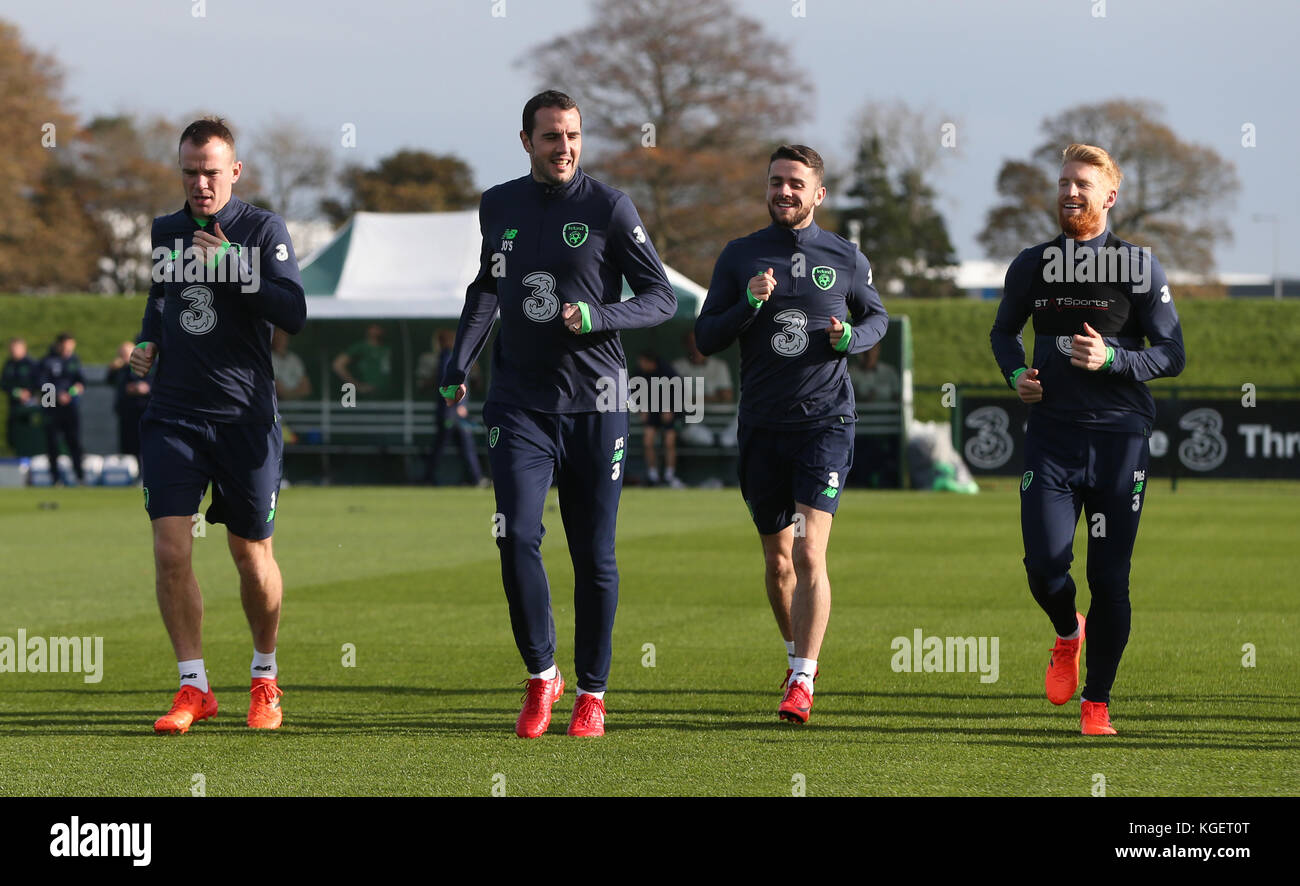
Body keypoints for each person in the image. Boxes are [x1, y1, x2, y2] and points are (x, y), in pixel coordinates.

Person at [440, 90, 675, 738]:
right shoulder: (499, 205)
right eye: (551, 137)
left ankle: (592, 692)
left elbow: (660, 298)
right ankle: (542, 676)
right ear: (526, 142)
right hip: (518, 403)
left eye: (572, 135)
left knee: (593, 554)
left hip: (597, 405)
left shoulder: (608, 207)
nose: (564, 147)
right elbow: (488, 287)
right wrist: (460, 359)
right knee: (515, 535)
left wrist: (600, 315)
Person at [989, 143, 1185, 736]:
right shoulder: (1031, 264)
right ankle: (1067, 631)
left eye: (1083, 184)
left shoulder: (1139, 267)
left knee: (1110, 578)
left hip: (1120, 442)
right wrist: (1016, 375)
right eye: (1064, 182)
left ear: (1109, 196)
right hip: (1051, 438)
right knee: (1044, 565)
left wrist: (1114, 359)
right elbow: (1003, 334)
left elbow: (1173, 354)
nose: (1070, 193)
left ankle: (1096, 701)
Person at [696, 144, 888, 725]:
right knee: (778, 563)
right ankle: (794, 658)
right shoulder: (739, 256)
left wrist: (848, 338)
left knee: (809, 551)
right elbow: (706, 336)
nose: (784, 191)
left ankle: (803, 680)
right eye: (776, 181)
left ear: (818, 194)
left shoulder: (846, 257)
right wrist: (748, 307)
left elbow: (875, 317)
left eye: (795, 183)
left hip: (825, 423)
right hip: (761, 425)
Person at [131, 117, 306, 734]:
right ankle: (193, 686)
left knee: (250, 554)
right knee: (171, 550)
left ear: (235, 171)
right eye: (190, 171)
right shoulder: (166, 230)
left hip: (244, 418)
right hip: (173, 414)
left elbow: (295, 311)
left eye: (211, 171)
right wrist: (147, 341)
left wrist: (237, 264)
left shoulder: (262, 230)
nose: (200, 183)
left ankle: (264, 676)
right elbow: (161, 300)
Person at [418, 328, 483, 486]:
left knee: (452, 445)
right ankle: (475, 478)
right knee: (461, 445)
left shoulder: (448, 357)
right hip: (454, 412)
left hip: (450, 412)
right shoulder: (451, 357)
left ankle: (473, 477)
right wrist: (460, 405)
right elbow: (452, 382)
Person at [38, 333, 87, 485]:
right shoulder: (47, 361)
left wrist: (74, 391)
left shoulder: (74, 360)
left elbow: (80, 382)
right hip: (51, 405)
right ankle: (55, 478)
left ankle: (80, 476)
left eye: (71, 347)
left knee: (74, 441)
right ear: (59, 345)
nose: (68, 350)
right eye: (65, 347)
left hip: (70, 406)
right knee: (52, 443)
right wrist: (57, 395)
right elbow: (42, 383)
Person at [671, 331, 734, 448]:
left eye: (698, 342)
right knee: (691, 433)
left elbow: (726, 396)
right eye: (691, 343)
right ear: (685, 345)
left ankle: (720, 442)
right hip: (691, 422)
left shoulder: (719, 365)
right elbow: (674, 399)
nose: (695, 346)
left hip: (720, 421)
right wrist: (713, 397)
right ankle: (716, 442)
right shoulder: (677, 366)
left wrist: (693, 399)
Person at [632, 350, 684, 487]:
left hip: (669, 409)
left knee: (669, 442)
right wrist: (641, 408)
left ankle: (669, 476)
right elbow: (634, 391)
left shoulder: (667, 371)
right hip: (652, 409)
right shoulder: (639, 373)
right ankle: (652, 475)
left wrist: (670, 408)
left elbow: (678, 390)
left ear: (651, 362)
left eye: (643, 362)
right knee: (648, 441)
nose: (640, 365)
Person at [108, 340, 153, 457]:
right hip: (125, 411)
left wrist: (142, 388)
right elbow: (111, 381)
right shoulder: (120, 369)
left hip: (141, 410)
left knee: (142, 443)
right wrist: (112, 369)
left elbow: (151, 384)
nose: (125, 357)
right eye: (122, 354)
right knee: (126, 444)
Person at [332, 323, 391, 397]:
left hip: (388, 393)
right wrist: (357, 386)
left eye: (379, 327)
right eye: (374, 327)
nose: (377, 330)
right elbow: (338, 365)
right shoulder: (361, 347)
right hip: (369, 393)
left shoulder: (387, 347)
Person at [2, 338, 39, 454]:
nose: (14, 351)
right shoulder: (9, 364)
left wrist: (30, 394)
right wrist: (18, 393)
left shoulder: (31, 364)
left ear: (23, 349)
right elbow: (3, 384)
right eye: (12, 349)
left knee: (29, 432)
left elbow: (40, 382)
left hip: (29, 405)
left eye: (16, 349)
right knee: (12, 434)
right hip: (14, 405)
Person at [271, 328, 311, 401]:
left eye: (283, 337)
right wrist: (296, 392)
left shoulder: (294, 359)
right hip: (279, 408)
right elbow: (278, 391)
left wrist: (288, 394)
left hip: (299, 409)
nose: (280, 340)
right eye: (277, 337)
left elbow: (306, 389)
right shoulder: (269, 359)